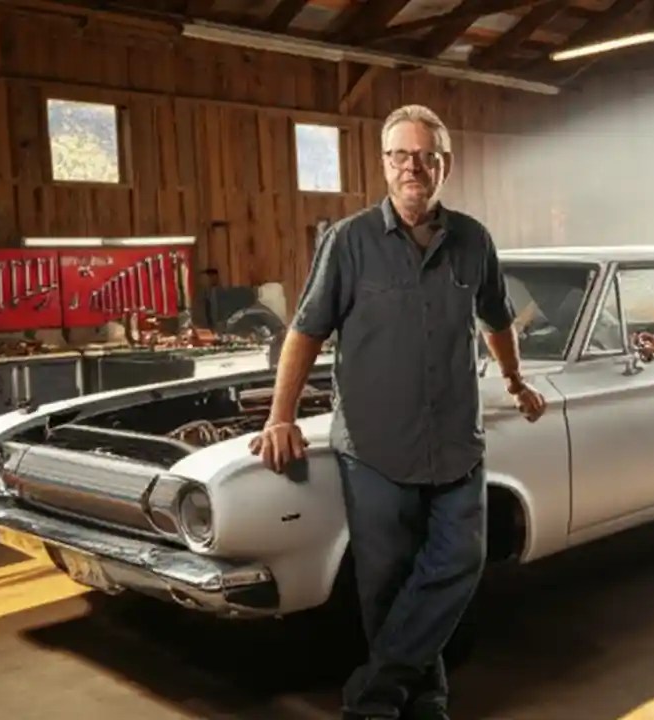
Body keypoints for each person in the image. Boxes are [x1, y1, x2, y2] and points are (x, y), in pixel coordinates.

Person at [249, 104, 547, 720]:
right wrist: (280, 416)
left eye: (425, 156)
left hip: (457, 445)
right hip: (375, 449)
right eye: (400, 156)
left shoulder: (473, 240)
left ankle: (372, 699)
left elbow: (496, 318)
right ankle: (426, 698)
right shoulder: (349, 242)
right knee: (385, 585)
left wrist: (516, 380)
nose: (413, 167)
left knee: (459, 564)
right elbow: (305, 333)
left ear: (445, 164)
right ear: (384, 164)